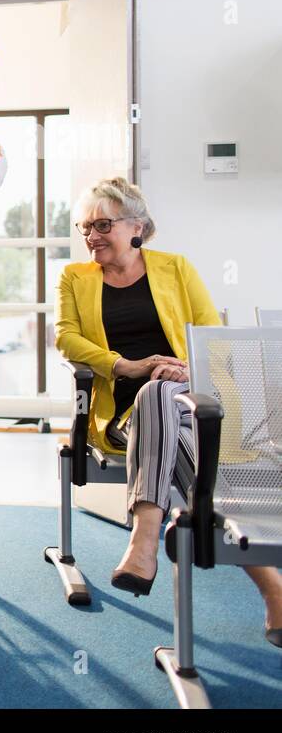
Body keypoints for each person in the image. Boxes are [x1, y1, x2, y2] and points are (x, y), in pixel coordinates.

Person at [56, 176, 282, 647]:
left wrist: (187, 370)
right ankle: (273, 590)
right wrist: (128, 365)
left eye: (102, 224)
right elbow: (66, 338)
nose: (92, 236)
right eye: (84, 228)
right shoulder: (75, 279)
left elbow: (211, 335)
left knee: (162, 395)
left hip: (192, 405)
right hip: (121, 415)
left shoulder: (175, 268)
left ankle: (144, 539)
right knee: (152, 397)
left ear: (137, 226)